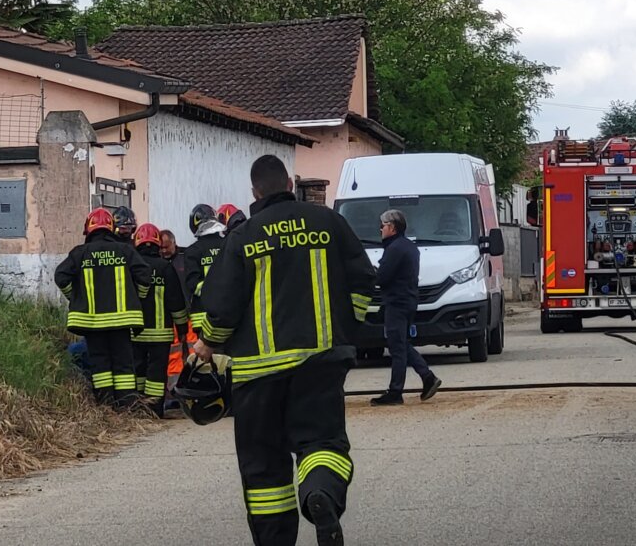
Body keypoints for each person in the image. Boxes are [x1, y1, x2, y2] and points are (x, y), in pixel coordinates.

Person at [195, 155, 377, 546]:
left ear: (255, 192)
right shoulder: (328, 223)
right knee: (322, 444)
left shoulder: (243, 237)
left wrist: (206, 343)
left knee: (264, 468)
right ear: (290, 185)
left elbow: (221, 308)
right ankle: (319, 495)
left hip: (256, 378)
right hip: (321, 365)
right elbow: (364, 281)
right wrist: (346, 329)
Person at [55, 208, 152, 407]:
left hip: (93, 323)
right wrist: (137, 299)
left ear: (88, 230)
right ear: (111, 228)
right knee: (124, 363)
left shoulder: (79, 253)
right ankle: (126, 406)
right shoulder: (125, 250)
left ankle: (106, 405)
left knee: (100, 364)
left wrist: (75, 298)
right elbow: (144, 276)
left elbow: (61, 277)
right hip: (123, 321)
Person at [371, 208, 440, 407]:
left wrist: (371, 272)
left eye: (382, 225)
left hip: (397, 302)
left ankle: (395, 391)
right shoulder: (409, 247)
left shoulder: (395, 249)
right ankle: (427, 377)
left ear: (392, 228)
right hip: (408, 301)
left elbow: (383, 278)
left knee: (397, 347)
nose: (380, 229)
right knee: (401, 343)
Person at [130, 223, 187, 417]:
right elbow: (176, 302)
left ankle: (138, 407)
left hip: (135, 332)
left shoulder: (132, 266)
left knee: (138, 369)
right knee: (156, 372)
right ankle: (154, 409)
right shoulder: (165, 267)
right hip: (160, 334)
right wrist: (181, 328)